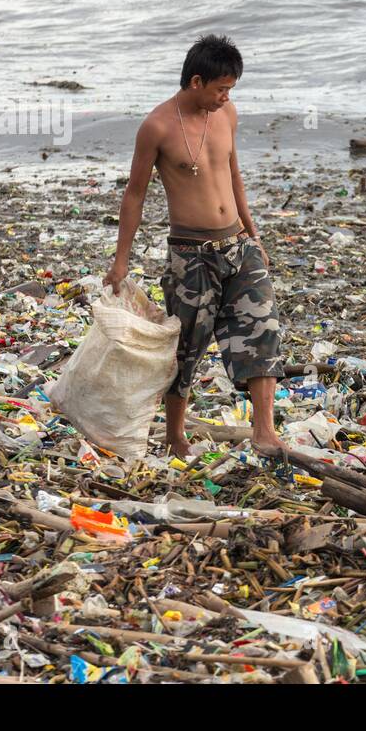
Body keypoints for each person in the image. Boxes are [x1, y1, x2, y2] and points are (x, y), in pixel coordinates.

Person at [104, 34, 289, 459]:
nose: (226, 97)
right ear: (196, 82)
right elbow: (134, 194)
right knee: (187, 347)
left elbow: (234, 175)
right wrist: (120, 262)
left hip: (237, 245)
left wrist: (253, 234)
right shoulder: (157, 127)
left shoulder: (226, 116)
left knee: (263, 330)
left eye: (231, 90)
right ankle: (174, 435)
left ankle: (264, 431)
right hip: (191, 255)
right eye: (221, 89)